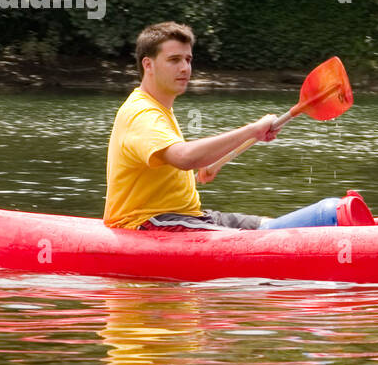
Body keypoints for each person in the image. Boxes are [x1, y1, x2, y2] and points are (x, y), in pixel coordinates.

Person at [103, 21, 343, 231]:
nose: (185, 68)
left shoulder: (159, 107)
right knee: (327, 213)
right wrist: (252, 130)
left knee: (268, 226)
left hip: (185, 215)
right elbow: (184, 157)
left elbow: (175, 162)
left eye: (188, 59)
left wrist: (208, 163)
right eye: (174, 60)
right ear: (148, 65)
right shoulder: (141, 112)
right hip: (148, 223)